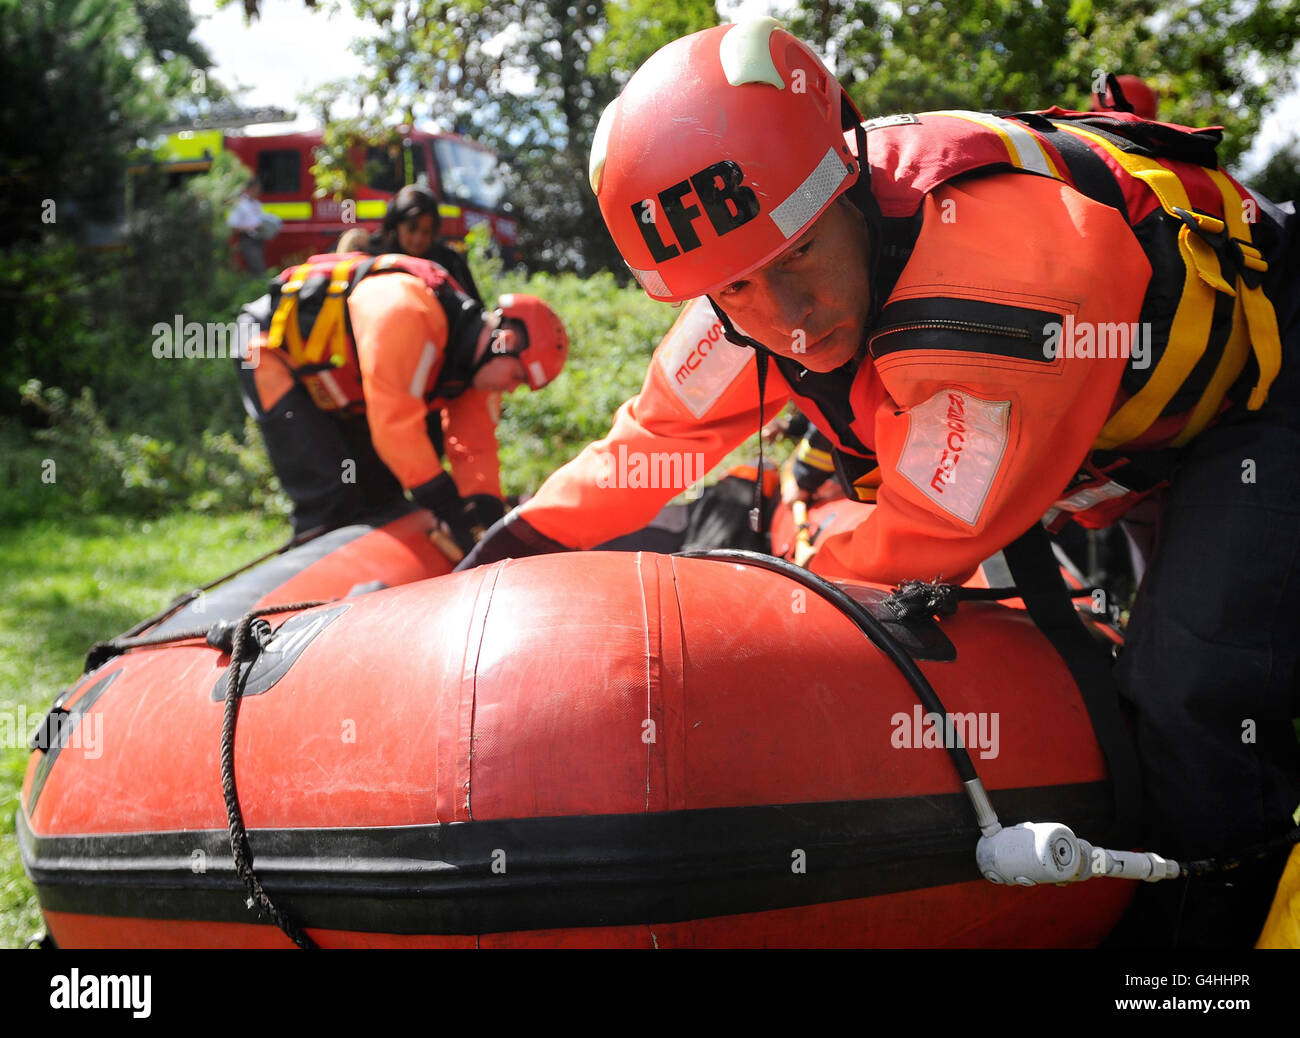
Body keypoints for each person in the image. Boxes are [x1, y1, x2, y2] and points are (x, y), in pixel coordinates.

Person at [459, 18, 1300, 946]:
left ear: (847, 187)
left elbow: (926, 535)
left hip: (1259, 410)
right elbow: (658, 434)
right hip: (1133, 452)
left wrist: (780, 573)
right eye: (737, 290)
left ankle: (1213, 955)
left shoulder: (1001, 278)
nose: (788, 319)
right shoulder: (753, 257)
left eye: (798, 262)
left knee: (1191, 695)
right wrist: (523, 540)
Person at [236, 251, 568, 552]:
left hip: (338, 387)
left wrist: (485, 516)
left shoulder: (474, 370)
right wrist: (448, 505)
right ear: (505, 342)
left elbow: (474, 446)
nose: (511, 390)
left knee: (384, 496)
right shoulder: (405, 310)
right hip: (268, 352)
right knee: (330, 497)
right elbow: (394, 427)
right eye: (517, 378)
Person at [370, 183, 484, 304]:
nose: (418, 238)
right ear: (395, 225)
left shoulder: (449, 264)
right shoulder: (376, 260)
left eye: (426, 231)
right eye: (412, 229)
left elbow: (473, 312)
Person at [227, 178, 272, 275]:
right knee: (257, 269)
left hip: (258, 239)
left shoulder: (256, 204)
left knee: (258, 269)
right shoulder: (240, 204)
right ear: (249, 189)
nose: (259, 192)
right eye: (256, 189)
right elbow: (233, 226)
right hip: (247, 240)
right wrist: (252, 227)